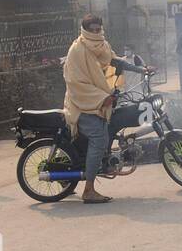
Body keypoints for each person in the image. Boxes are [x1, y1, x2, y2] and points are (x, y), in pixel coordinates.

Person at [63, 13, 152, 203]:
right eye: (92, 30)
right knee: (100, 138)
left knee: (111, 125)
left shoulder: (101, 45)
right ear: (84, 30)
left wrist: (141, 70)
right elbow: (74, 83)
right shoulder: (77, 50)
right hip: (82, 104)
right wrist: (102, 97)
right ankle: (88, 190)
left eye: (98, 29)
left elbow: (114, 61)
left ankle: (103, 164)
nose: (96, 33)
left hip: (99, 99)